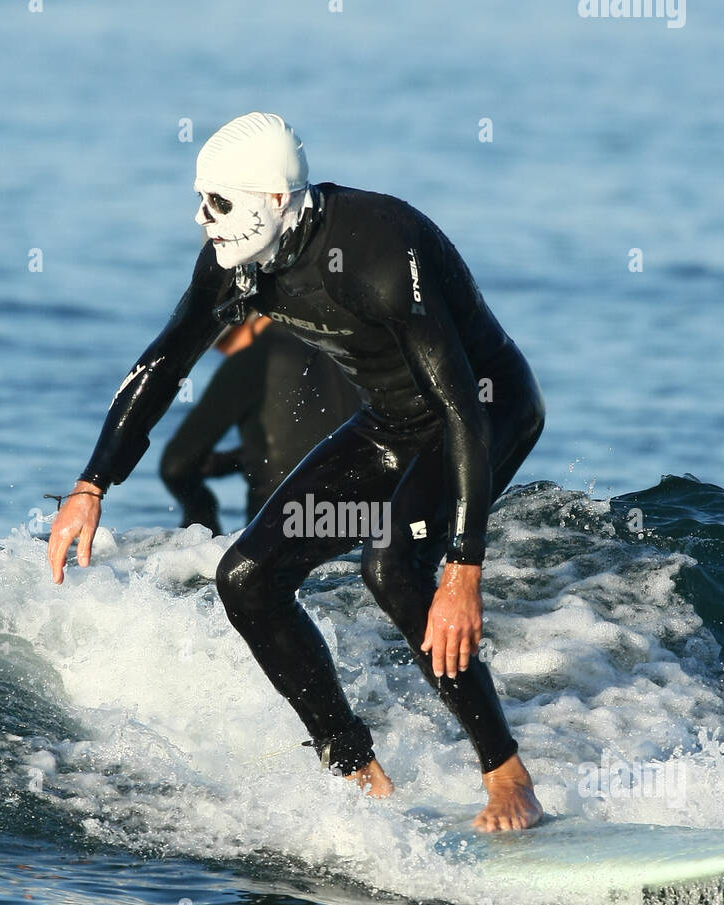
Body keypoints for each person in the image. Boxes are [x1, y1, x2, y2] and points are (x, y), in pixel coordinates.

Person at [48, 112, 546, 831]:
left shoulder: (379, 246)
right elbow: (163, 363)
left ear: (273, 202)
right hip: (387, 424)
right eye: (200, 200)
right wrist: (91, 486)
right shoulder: (234, 262)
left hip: (484, 411)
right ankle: (357, 772)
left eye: (218, 203)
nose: (202, 218)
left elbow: (462, 408)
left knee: (395, 567)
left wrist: (464, 568)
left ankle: (509, 777)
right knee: (247, 578)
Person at [159, 315, 362, 534]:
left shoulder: (255, 355)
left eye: (225, 342)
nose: (225, 353)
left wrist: (202, 516)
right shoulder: (357, 352)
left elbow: (175, 466)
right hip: (364, 525)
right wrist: (234, 461)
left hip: (279, 535)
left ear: (248, 317)